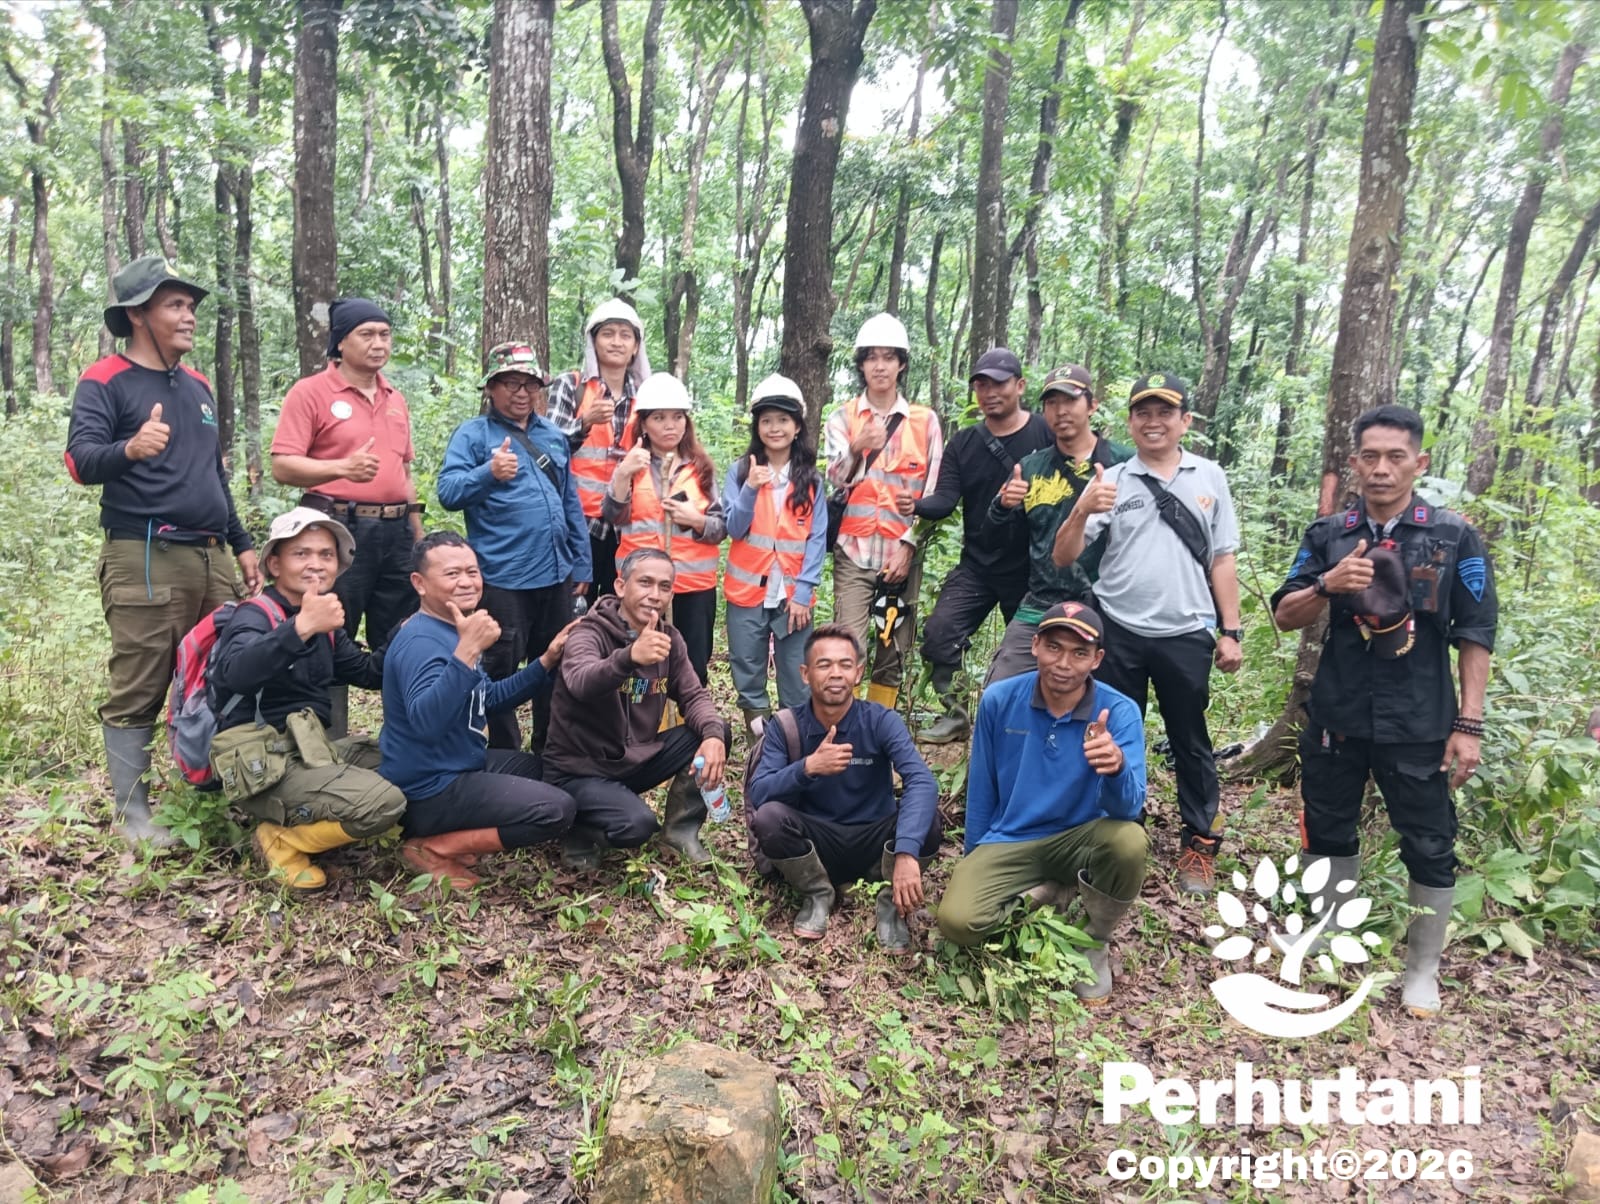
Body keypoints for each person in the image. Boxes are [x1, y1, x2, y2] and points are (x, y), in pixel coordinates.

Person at [1271, 404, 1496, 1019]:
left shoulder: (1452, 536)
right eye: (1369, 456)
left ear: (1419, 463)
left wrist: (1469, 725)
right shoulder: (1329, 536)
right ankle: (1327, 933)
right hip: (1338, 713)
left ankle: (1423, 968)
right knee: (1328, 826)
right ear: (1353, 464)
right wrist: (1327, 584)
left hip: (1420, 719)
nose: (1381, 468)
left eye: (1396, 457)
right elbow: (1282, 613)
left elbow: (1475, 633)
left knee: (1428, 840)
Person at [65, 255, 262, 847]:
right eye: (174, 305)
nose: (189, 316)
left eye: (191, 306)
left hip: (212, 557)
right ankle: (136, 822)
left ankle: (212, 802)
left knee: (222, 674)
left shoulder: (198, 385)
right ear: (137, 314)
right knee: (142, 684)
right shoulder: (105, 379)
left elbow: (214, 474)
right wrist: (130, 448)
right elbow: (80, 461)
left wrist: (243, 542)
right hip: (144, 554)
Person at [1052, 372, 1242, 896]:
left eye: (1165, 412)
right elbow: (1063, 556)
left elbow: (1223, 559)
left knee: (1189, 737)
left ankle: (1199, 842)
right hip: (1118, 628)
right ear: (1130, 422)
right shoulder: (1111, 479)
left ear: (1185, 421)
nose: (1153, 422)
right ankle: (1113, 830)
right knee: (1108, 730)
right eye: (1143, 412)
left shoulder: (1209, 478)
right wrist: (1083, 507)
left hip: (1186, 631)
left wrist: (1232, 631)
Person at [937, 603, 1148, 1004]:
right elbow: (982, 790)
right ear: (1034, 646)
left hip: (1082, 838)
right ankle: (1047, 895)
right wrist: (972, 861)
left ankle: (1092, 941)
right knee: (956, 921)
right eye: (1054, 647)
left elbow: (1127, 809)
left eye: (1079, 653)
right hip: (1013, 838)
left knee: (1130, 841)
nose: (1063, 663)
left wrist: (1116, 766)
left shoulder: (1119, 711)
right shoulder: (1000, 700)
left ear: (1097, 659)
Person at [208, 508, 406, 892]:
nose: (316, 564)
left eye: (326, 555)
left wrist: (410, 623)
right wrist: (300, 629)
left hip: (309, 752)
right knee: (383, 802)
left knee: (411, 762)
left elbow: (368, 672)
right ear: (274, 564)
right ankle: (280, 840)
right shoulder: (256, 615)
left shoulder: (322, 622)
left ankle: (310, 815)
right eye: (302, 554)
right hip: (261, 764)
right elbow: (234, 673)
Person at [380, 533, 581, 890]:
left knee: (546, 768)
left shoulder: (453, 629)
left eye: (472, 572)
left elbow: (485, 699)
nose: (466, 582)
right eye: (452, 574)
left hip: (464, 763)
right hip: (430, 788)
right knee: (556, 809)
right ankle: (432, 846)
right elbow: (426, 724)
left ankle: (456, 830)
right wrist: (467, 651)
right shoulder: (421, 642)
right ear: (420, 583)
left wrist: (546, 661)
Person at [746, 625, 941, 949]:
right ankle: (817, 893)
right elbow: (759, 792)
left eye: (845, 665)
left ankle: (889, 902)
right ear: (806, 674)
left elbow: (920, 779)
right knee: (769, 818)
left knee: (929, 818)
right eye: (824, 665)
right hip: (817, 842)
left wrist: (906, 849)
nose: (835, 673)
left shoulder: (881, 720)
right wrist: (807, 768)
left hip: (875, 841)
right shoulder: (786, 725)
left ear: (858, 673)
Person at [437, 341, 591, 751]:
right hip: (503, 579)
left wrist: (582, 563)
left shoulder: (553, 435)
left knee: (555, 662)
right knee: (499, 668)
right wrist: (488, 472)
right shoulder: (472, 435)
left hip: (556, 575)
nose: (521, 392)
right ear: (491, 387)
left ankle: (549, 749)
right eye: (510, 383)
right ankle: (503, 754)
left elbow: (569, 501)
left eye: (529, 384)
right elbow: (448, 491)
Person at [542, 548, 731, 869]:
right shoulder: (588, 632)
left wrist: (712, 735)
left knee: (716, 729)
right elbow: (580, 681)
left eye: (664, 586)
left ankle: (680, 831)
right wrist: (629, 657)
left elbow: (693, 695)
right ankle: (580, 829)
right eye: (645, 583)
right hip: (580, 769)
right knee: (637, 826)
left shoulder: (669, 638)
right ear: (620, 586)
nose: (654, 595)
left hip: (633, 762)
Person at [910, 348, 1051, 742]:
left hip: (1032, 568)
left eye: (999, 383)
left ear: (1019, 386)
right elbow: (944, 501)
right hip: (978, 564)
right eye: (981, 384)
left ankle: (1027, 725)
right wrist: (912, 503)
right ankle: (955, 713)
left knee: (1032, 652)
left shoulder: (1045, 433)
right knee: (939, 632)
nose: (989, 392)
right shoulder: (964, 442)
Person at [823, 313, 944, 710]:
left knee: (893, 649)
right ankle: (842, 729)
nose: (880, 366)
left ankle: (879, 730)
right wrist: (858, 446)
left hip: (901, 554)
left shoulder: (925, 422)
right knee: (847, 647)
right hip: (854, 552)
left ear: (901, 364)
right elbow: (836, 480)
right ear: (860, 364)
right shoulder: (843, 417)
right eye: (871, 357)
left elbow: (933, 492)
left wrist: (909, 548)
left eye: (888, 357)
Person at [982, 364, 1130, 686]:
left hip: (1106, 606)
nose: (1061, 411)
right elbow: (994, 539)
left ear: (1092, 405)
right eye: (1052, 403)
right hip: (1042, 601)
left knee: (1106, 699)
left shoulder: (1125, 464)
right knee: (999, 691)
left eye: (1070, 401)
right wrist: (1003, 506)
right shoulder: (1032, 468)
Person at [721, 373, 827, 741]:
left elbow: (816, 539)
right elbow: (733, 527)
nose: (774, 427)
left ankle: (794, 749)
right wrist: (751, 487)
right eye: (766, 420)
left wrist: (803, 594)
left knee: (796, 678)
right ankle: (759, 751)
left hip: (792, 598)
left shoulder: (811, 479)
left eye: (783, 420)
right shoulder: (739, 472)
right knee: (747, 673)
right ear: (757, 425)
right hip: (747, 594)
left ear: (797, 426)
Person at [603, 373, 724, 684]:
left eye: (677, 417)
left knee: (692, 667)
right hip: (644, 588)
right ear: (644, 423)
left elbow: (721, 527)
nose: (670, 425)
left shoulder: (700, 468)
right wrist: (621, 475)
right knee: (642, 664)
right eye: (659, 418)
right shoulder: (632, 465)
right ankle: (644, 729)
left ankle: (687, 729)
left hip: (693, 589)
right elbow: (612, 516)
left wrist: (695, 519)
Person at [546, 298, 653, 596]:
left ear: (635, 346)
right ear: (593, 341)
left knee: (625, 611)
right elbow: (546, 447)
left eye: (625, 335)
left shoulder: (648, 395)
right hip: (578, 524)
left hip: (631, 525)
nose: (616, 342)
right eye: (608, 334)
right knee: (577, 610)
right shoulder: (571, 385)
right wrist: (584, 423)